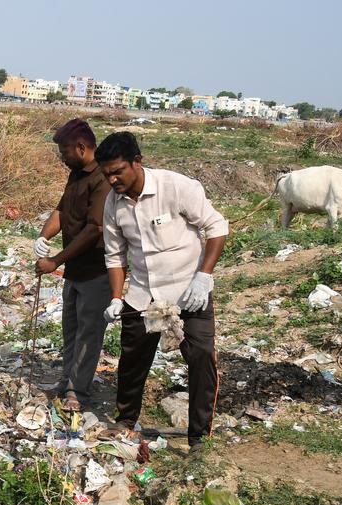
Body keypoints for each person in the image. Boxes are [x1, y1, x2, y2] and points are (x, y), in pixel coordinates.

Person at [96, 131, 228, 450]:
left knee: (200, 358)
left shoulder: (176, 186)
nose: (112, 180)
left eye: (118, 171)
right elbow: (114, 255)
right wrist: (116, 297)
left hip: (187, 291)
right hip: (144, 294)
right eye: (107, 174)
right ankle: (126, 421)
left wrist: (204, 276)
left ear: (137, 162)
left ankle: (198, 437)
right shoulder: (114, 204)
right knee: (133, 358)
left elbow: (216, 227)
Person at [33, 118, 112, 412]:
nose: (62, 158)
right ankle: (68, 379)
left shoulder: (102, 177)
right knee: (71, 329)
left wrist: (55, 260)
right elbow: (62, 210)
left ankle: (78, 390)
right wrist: (43, 237)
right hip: (75, 271)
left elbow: (94, 229)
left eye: (65, 152)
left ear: (81, 147)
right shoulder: (76, 174)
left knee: (89, 333)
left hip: (96, 270)